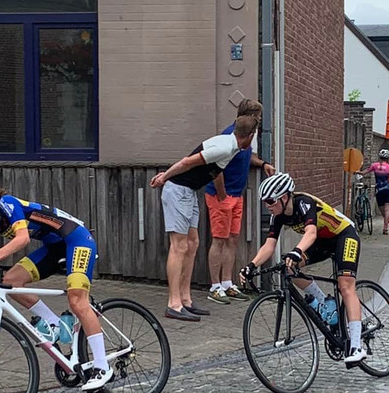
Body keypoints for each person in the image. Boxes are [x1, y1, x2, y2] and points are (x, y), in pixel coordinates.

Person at [0, 174, 113, 391]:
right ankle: (53, 323)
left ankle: (102, 367)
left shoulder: (8, 204)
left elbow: (22, 238)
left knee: (77, 301)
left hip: (77, 239)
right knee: (9, 281)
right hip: (54, 248)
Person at [240, 172, 367, 363]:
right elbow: (269, 245)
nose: (267, 206)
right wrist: (251, 265)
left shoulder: (303, 202)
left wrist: (297, 250)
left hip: (343, 236)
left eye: (270, 201)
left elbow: (311, 232)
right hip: (321, 243)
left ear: (284, 197)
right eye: (264, 202)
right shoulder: (279, 215)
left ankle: (357, 346)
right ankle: (325, 304)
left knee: (345, 286)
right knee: (287, 267)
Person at [151, 115, 257, 321]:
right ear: (250, 136)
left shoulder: (233, 146)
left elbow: (213, 170)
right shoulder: (225, 147)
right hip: (177, 190)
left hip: (189, 191)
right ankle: (173, 303)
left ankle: (185, 299)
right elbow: (187, 161)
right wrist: (165, 177)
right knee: (179, 246)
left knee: (193, 243)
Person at [205, 100, 274, 305]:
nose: (260, 121)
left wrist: (263, 164)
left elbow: (245, 157)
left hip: (237, 195)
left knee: (232, 239)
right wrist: (222, 195)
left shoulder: (246, 137)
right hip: (222, 196)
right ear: (251, 117)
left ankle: (227, 283)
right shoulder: (228, 136)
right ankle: (214, 287)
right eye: (258, 118)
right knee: (219, 239)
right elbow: (215, 168)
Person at [365, 149, 389, 235]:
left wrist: (357, 171)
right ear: (388, 158)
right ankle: (386, 228)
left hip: (379, 189)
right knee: (387, 210)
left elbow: (365, 172)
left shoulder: (374, 165)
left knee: (382, 210)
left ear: (379, 156)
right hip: (388, 189)